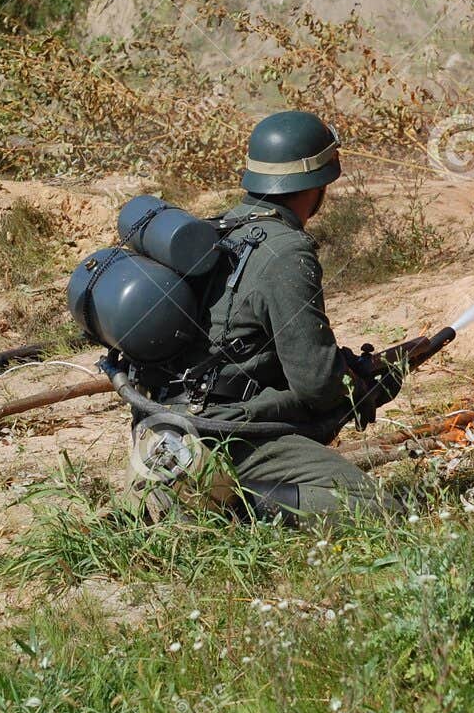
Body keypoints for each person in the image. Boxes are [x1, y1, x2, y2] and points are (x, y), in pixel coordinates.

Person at [138, 111, 403, 531]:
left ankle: (195, 484)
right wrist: (359, 387)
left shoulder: (221, 229)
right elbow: (316, 384)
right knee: (376, 510)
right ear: (316, 185)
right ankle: (223, 504)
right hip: (224, 435)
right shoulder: (287, 251)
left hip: (163, 428)